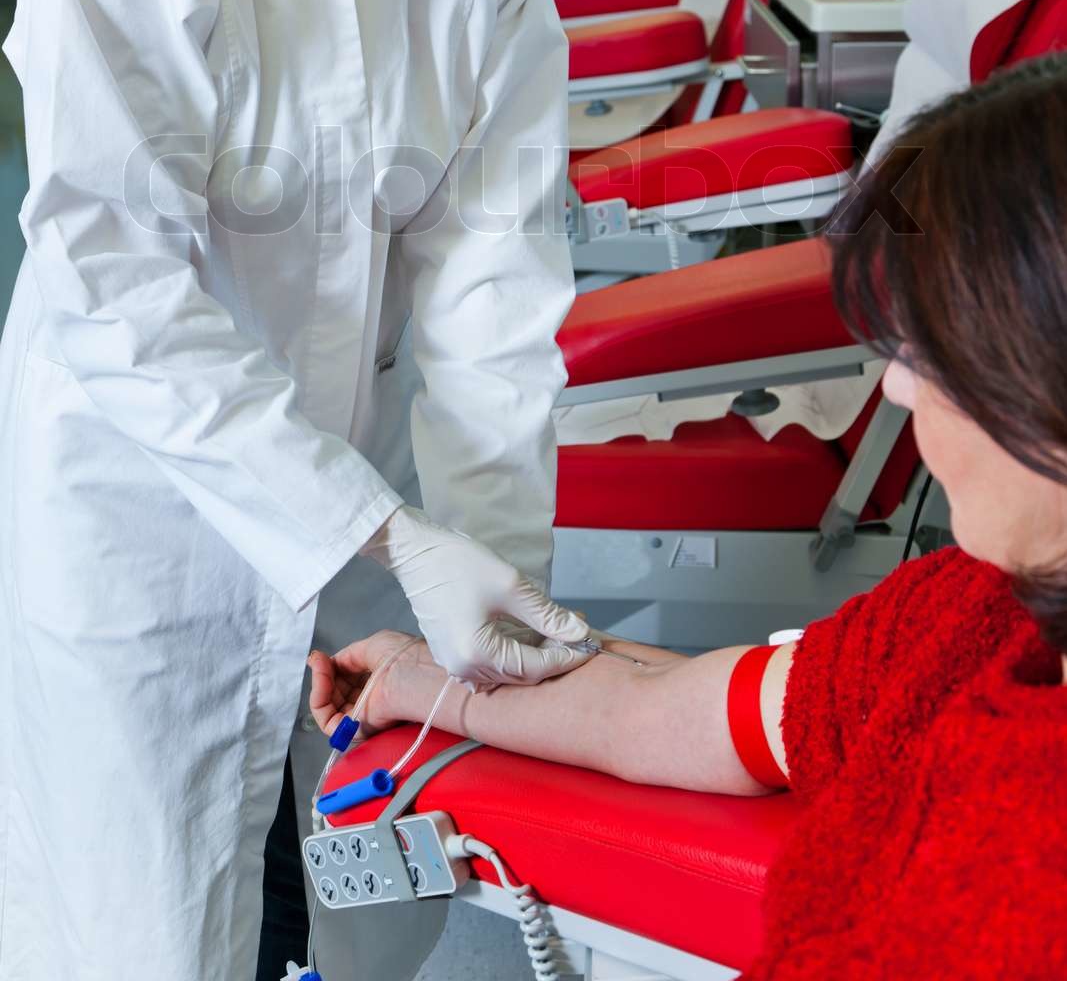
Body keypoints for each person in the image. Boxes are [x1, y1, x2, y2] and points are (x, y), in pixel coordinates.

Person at [0, 0, 594, 981]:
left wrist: (488, 586)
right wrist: (379, 530)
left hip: (382, 551)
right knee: (143, 937)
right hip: (145, 541)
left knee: (359, 928)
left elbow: (490, 272)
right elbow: (117, 286)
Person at [310, 56, 1067, 979]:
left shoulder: (1020, 874)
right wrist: (421, 682)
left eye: (934, 351)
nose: (899, 388)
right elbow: (662, 713)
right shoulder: (963, 619)